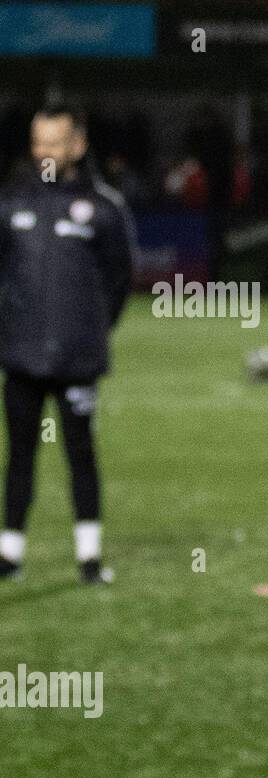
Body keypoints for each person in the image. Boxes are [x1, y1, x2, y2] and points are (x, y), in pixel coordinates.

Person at [0, 103, 134, 583]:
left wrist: (91, 329)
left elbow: (120, 280)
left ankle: (90, 557)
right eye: (39, 142)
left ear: (77, 145)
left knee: (80, 453)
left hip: (78, 357)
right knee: (18, 454)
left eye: (55, 142)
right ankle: (9, 552)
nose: (45, 152)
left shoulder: (103, 207)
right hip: (20, 354)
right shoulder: (11, 201)